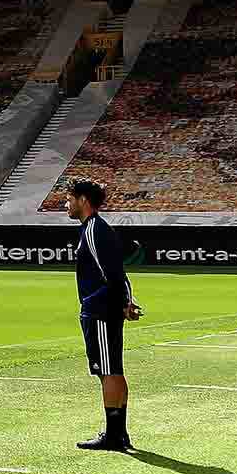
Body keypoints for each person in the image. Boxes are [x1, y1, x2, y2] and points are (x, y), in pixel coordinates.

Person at [69, 177, 142, 452]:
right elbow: (117, 272)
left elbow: (112, 274)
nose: (67, 204)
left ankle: (113, 436)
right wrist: (126, 301)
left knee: (108, 371)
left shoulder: (93, 230)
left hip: (100, 312)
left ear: (82, 200)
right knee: (113, 370)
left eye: (69, 199)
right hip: (104, 309)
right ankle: (119, 433)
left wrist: (119, 302)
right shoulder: (96, 229)